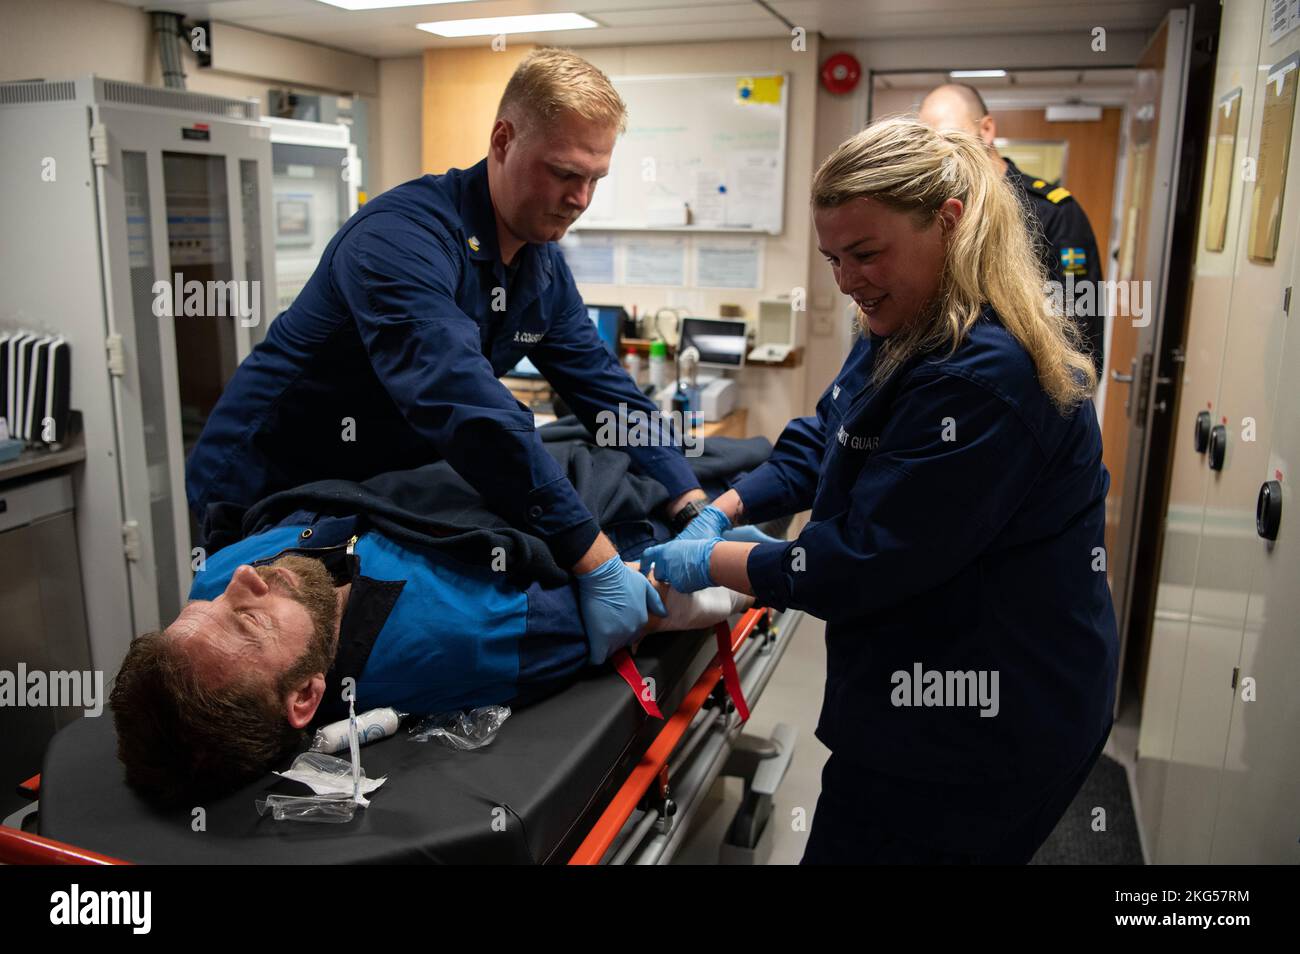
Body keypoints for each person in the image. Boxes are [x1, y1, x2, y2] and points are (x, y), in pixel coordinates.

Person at [642, 117, 1119, 864]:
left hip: (983, 724)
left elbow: (862, 562)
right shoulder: (906, 322)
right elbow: (823, 435)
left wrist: (718, 563)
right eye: (833, 257)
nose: (845, 279)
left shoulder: (986, 376)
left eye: (865, 253)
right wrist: (721, 512)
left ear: (949, 222)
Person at [186, 48, 709, 668]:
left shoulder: (541, 268)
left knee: (354, 651)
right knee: (254, 665)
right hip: (270, 486)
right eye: (566, 173)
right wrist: (593, 560)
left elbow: (606, 392)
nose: (581, 198)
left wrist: (690, 502)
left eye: (596, 178)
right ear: (502, 140)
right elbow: (467, 406)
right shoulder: (400, 238)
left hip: (377, 485)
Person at [110, 502, 749, 808]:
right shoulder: (467, 636)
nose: (242, 578)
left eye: (202, 610)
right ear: (306, 695)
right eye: (248, 620)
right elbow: (629, 597)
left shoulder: (215, 578)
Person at [919, 83, 1106, 376]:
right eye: (927, 143)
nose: (938, 153)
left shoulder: (1053, 212)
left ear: (987, 129)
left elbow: (1083, 338)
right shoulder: (935, 212)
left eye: (947, 137)